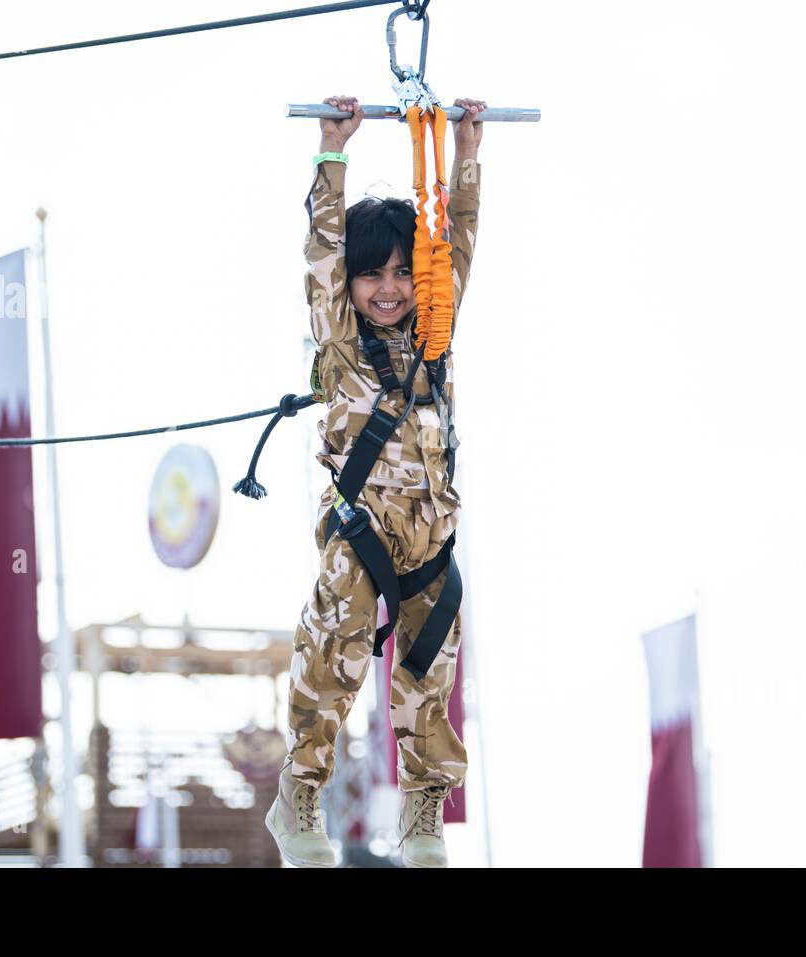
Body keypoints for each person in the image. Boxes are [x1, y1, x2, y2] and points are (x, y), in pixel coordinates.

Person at [264, 94, 485, 868]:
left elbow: (453, 247)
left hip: (430, 536)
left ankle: (424, 808)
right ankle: (299, 789)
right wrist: (333, 155)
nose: (388, 288)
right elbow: (322, 256)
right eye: (373, 276)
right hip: (360, 528)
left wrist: (464, 155)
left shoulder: (435, 336)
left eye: (400, 272)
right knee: (337, 649)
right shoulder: (343, 341)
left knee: (430, 672)